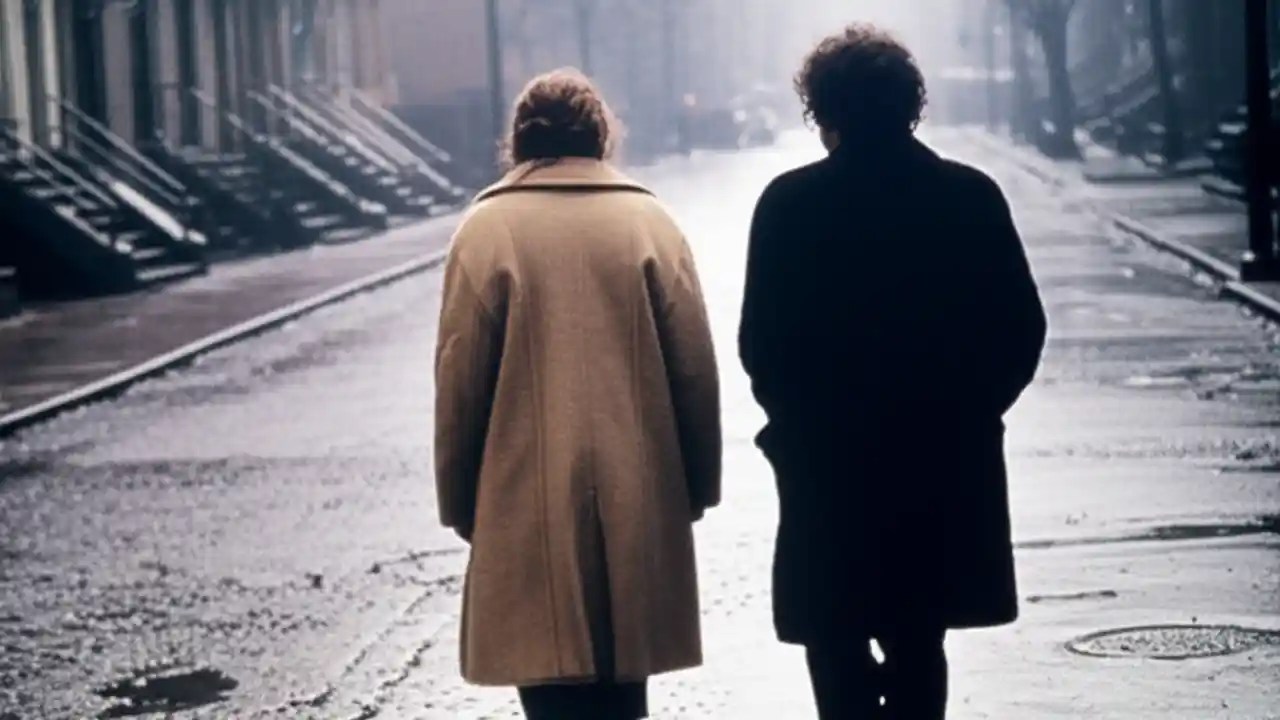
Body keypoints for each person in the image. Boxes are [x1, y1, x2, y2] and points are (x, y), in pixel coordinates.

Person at [738, 25, 1047, 720]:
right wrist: (973, 410)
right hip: (941, 460)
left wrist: (799, 424)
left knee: (834, 636)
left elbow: (763, 347)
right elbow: (1020, 328)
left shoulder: (789, 206)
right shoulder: (968, 195)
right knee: (919, 636)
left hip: (830, 467)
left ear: (824, 110)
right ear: (912, 104)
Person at [434, 69, 722, 720]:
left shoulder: (485, 231)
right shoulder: (650, 222)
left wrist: (460, 502)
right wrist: (696, 487)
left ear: (518, 142)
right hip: (640, 491)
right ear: (602, 137)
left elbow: (459, 387)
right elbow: (694, 373)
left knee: (548, 686)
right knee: (627, 690)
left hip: (520, 499)